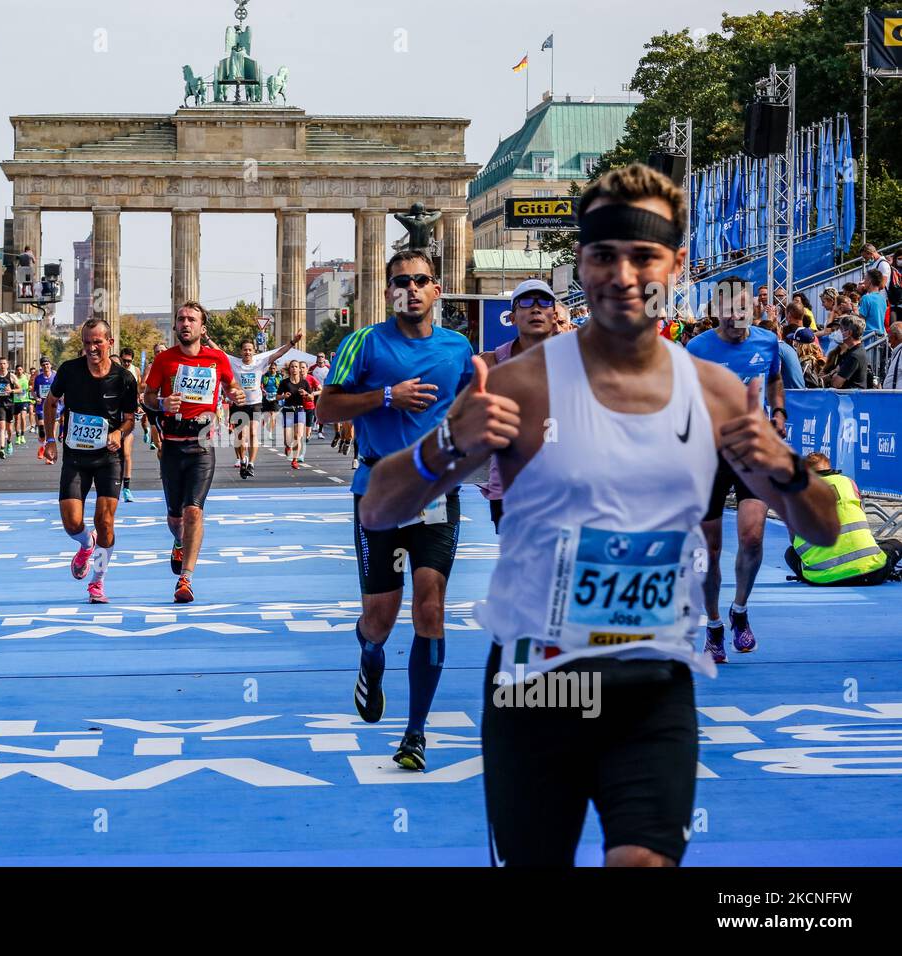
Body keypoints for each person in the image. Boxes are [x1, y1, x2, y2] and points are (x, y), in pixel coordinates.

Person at [359, 163, 839, 865]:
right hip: (536, 687)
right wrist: (444, 444)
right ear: (579, 266)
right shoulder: (522, 385)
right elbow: (379, 509)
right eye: (603, 255)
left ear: (676, 264)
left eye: (643, 255)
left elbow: (823, 531)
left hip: (653, 687)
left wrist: (789, 470)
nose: (623, 275)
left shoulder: (716, 394)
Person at [316, 249, 476, 772]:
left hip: (435, 492)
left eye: (421, 280)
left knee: (430, 608)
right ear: (387, 291)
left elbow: (470, 410)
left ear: (437, 290)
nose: (411, 289)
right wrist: (386, 396)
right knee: (380, 620)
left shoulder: (458, 348)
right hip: (378, 488)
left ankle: (415, 733)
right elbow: (325, 408)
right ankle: (369, 654)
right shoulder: (363, 342)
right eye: (400, 281)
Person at [686, 281, 786, 663]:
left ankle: (739, 612)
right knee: (709, 551)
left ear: (753, 312)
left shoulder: (768, 342)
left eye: (742, 309)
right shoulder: (697, 349)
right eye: (728, 310)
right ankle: (713, 626)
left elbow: (775, 380)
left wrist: (778, 412)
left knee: (753, 537)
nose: (735, 317)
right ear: (716, 313)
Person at [142, 301, 242, 603]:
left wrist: (234, 393)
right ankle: (178, 542)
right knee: (175, 519)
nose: (185, 324)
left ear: (202, 328)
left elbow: (231, 385)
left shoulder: (217, 359)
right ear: (175, 326)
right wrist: (161, 403)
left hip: (201, 444)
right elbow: (147, 395)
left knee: (194, 511)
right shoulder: (164, 361)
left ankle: (186, 579)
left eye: (191, 319)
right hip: (172, 445)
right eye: (181, 319)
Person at [44, 319, 138, 603]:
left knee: (105, 521)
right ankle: (86, 543)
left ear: (110, 342)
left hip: (108, 458)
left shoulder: (124, 378)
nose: (91, 348)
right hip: (75, 456)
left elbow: (130, 420)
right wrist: (49, 439)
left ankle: (97, 582)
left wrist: (119, 434)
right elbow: (51, 402)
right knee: (72, 523)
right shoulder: (69, 370)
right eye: (86, 342)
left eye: (97, 342)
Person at [477, 278, 558, 532]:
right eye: (526, 302)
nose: (535, 308)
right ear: (511, 317)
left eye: (544, 302)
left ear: (554, 315)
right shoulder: (489, 363)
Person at [784, 453, 902, 585]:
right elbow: (860, 517)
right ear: (830, 468)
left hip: (823, 579)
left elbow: (793, 539)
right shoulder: (848, 483)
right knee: (895, 545)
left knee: (790, 554)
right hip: (872, 573)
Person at [229, 332, 301, 479]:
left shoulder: (259, 362)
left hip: (255, 403)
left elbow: (279, 353)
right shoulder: (234, 362)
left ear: (254, 351)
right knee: (240, 436)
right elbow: (218, 351)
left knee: (253, 433)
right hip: (239, 403)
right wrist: (206, 338)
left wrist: (293, 342)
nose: (247, 352)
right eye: (245, 349)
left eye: (250, 349)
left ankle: (251, 464)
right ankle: (243, 460)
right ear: (241, 351)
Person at [278, 360, 310, 469]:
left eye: (296, 367)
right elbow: (277, 397)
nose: (295, 368)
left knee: (298, 436)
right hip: (288, 410)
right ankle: (287, 447)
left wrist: (306, 394)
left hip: (300, 410)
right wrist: (283, 396)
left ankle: (295, 460)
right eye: (292, 367)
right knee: (288, 439)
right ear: (290, 369)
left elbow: (310, 397)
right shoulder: (284, 382)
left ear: (299, 369)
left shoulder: (304, 383)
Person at [118, 346, 140, 500]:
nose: (126, 364)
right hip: (109, 422)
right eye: (124, 361)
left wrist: (137, 404)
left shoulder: (134, 373)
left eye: (129, 362)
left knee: (126, 453)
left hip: (126, 420)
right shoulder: (110, 374)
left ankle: (126, 488)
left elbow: (137, 391)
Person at [828, 317, 869, 389]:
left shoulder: (855, 355)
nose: (838, 332)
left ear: (849, 333)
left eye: (840, 329)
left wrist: (833, 375)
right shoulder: (850, 351)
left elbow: (836, 383)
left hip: (851, 398)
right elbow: (836, 370)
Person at [0, 357, 18, 458]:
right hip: (0, 404)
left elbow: (20, 389)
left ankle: (9, 441)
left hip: (10, 404)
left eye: (4, 364)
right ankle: (2, 449)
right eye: (0, 364)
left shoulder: (11, 376)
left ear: (7, 365)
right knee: (2, 427)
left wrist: (11, 391)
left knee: (9, 429)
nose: (2, 366)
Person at [34, 358, 57, 461]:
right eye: (43, 365)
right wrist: (36, 398)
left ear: (50, 365)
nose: (45, 366)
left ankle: (49, 457)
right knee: (42, 431)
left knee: (52, 432)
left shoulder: (56, 377)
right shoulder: (38, 378)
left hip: (53, 407)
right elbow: (33, 391)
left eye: (47, 364)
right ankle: (43, 446)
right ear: (41, 366)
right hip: (41, 407)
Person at [858, 269, 888, 340]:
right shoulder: (882, 299)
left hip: (869, 337)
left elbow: (861, 321)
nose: (863, 282)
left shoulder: (866, 298)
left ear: (870, 281)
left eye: (865, 279)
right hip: (881, 336)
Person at [881, 323, 902, 389]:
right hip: (892, 396)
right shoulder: (897, 351)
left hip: (898, 397)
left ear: (894, 336)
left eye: (889, 335)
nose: (888, 339)